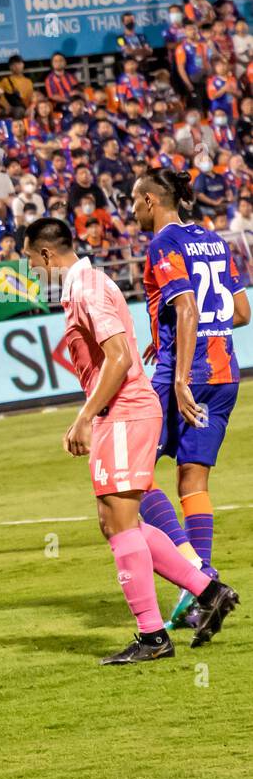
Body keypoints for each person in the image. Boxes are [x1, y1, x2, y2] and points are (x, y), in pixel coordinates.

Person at [22, 217, 238, 664]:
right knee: (119, 522)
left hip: (123, 413)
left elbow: (119, 356)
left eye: (29, 260)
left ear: (46, 255)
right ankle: (208, 590)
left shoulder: (87, 288)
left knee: (119, 523)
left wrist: (84, 418)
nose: (30, 270)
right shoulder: (84, 286)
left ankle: (153, 636)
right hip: (119, 413)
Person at [132, 168, 250, 628]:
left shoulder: (164, 242)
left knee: (133, 477)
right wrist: (168, 337)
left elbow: (186, 306)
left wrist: (179, 374)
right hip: (225, 375)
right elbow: (240, 312)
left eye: (135, 201)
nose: (133, 210)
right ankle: (197, 597)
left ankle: (199, 575)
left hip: (186, 375)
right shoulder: (215, 240)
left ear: (149, 200)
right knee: (193, 483)